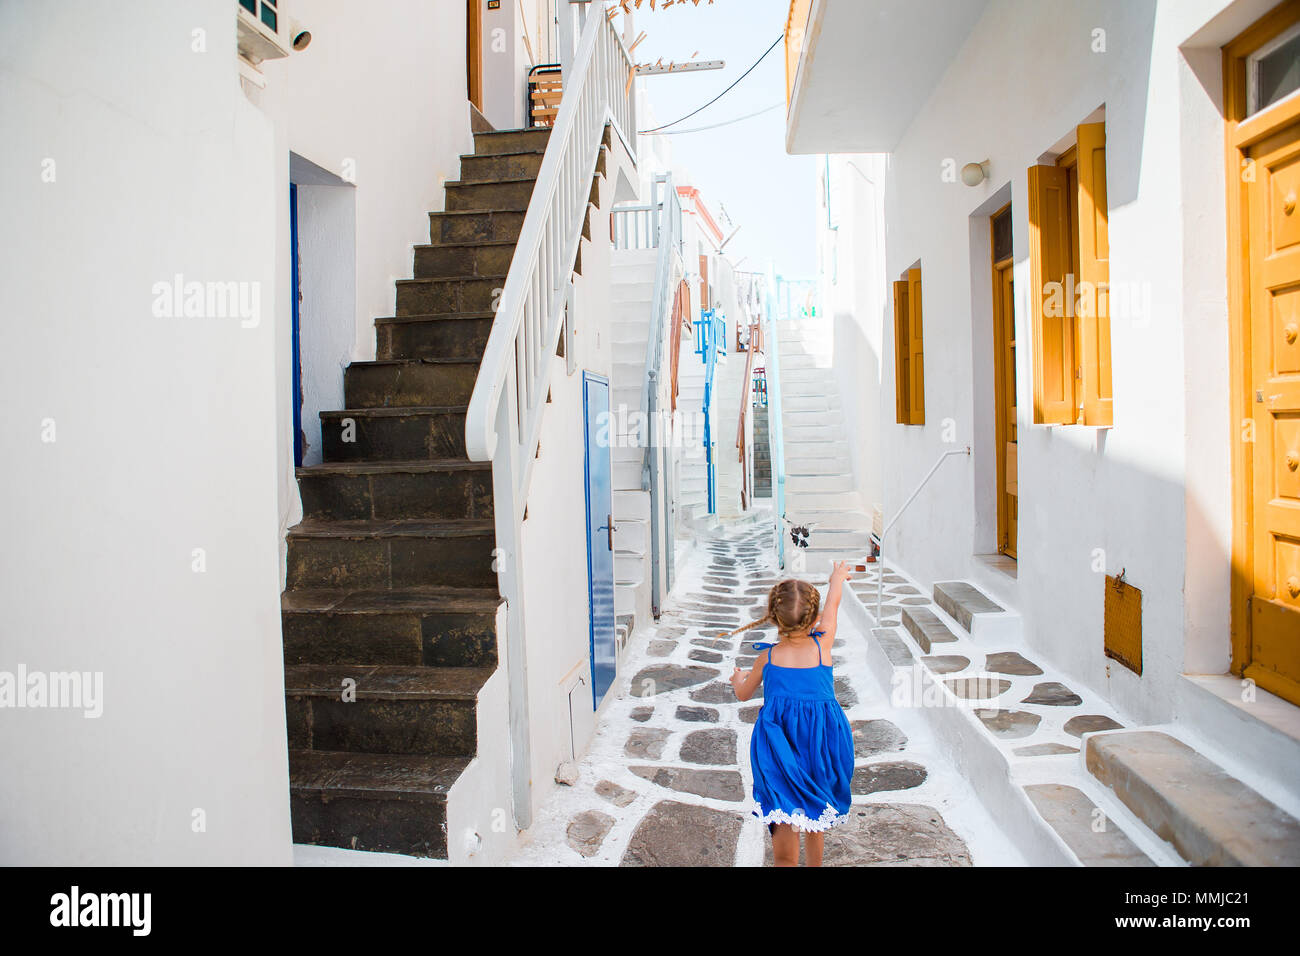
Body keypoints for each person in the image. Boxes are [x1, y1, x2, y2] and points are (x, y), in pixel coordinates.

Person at [729, 561, 855, 866]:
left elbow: (744, 693)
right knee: (817, 807)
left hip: (779, 747)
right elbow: (834, 604)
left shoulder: (767, 658)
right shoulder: (822, 644)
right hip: (820, 742)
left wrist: (737, 679)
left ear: (774, 618)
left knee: (783, 832)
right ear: (813, 617)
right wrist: (836, 577)